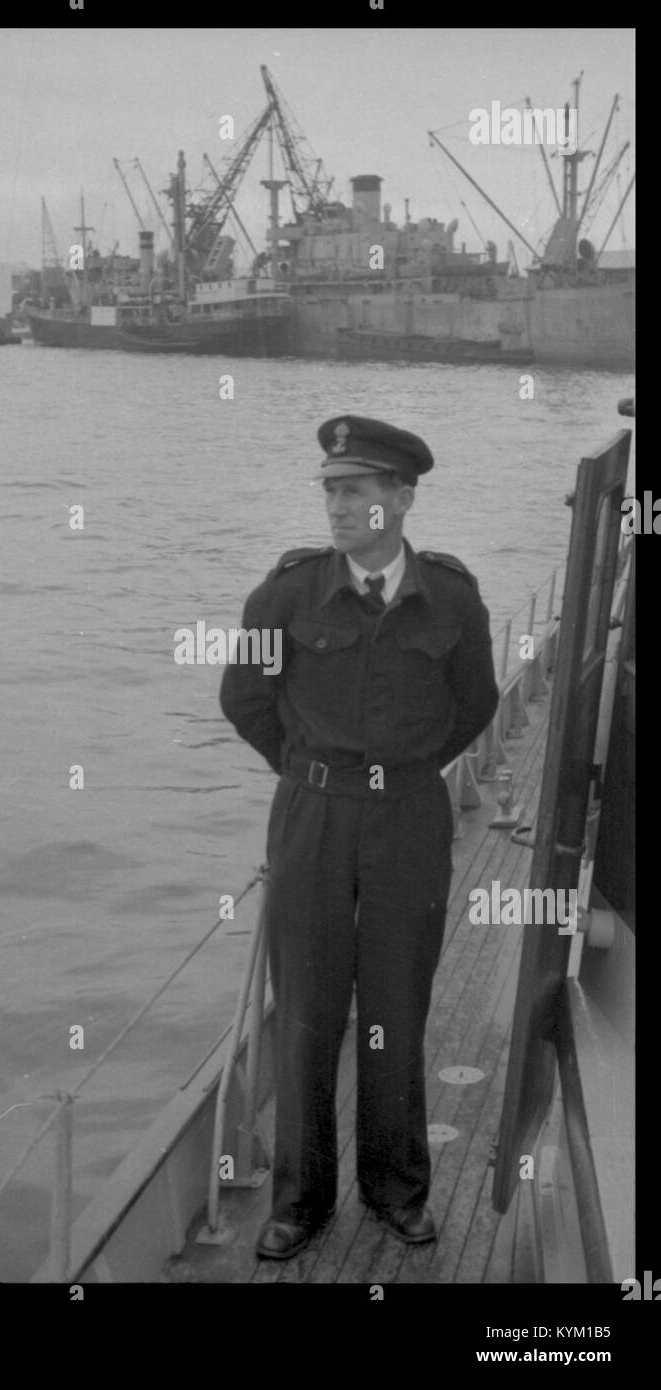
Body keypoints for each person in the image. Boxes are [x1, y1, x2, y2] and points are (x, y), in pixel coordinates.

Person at [219, 414, 499, 1260]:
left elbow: (474, 705)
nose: (336, 507)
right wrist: (312, 773)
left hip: (408, 818)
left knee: (395, 1007)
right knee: (305, 1009)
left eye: (354, 491)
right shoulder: (285, 594)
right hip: (311, 814)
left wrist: (403, 776)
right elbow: (245, 701)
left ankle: (395, 1189)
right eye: (330, 491)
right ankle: (300, 1203)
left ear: (401, 499)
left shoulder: (451, 596)